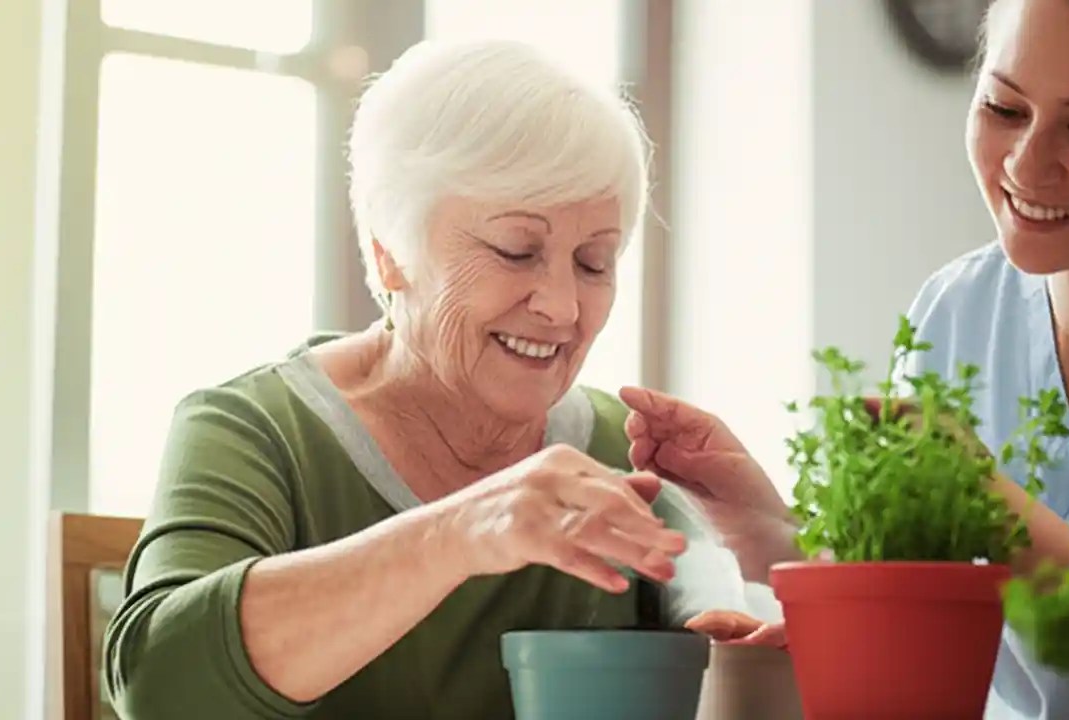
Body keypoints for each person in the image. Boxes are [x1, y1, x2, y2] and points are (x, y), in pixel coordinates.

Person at [632, 0, 1069, 717]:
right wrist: (770, 532)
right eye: (1003, 106)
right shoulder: (953, 313)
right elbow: (923, 605)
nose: (1027, 163)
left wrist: (992, 505)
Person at [101, 39, 752, 719]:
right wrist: (459, 532)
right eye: (515, 250)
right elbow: (158, 686)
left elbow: (738, 631)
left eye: (593, 262)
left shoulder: (630, 450)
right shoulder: (256, 430)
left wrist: (763, 554)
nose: (562, 307)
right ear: (390, 254)